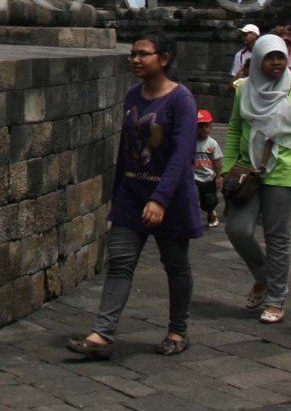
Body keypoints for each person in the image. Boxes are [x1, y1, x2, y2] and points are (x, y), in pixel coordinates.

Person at [67, 30, 201, 359]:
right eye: (133, 54)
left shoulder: (181, 99)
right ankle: (102, 334)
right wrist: (118, 198)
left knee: (175, 264)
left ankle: (177, 330)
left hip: (169, 198)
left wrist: (160, 199)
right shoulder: (132, 96)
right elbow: (126, 152)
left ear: (164, 59)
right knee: (120, 263)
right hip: (132, 193)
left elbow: (181, 155)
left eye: (143, 54)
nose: (135, 59)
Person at [222, 34, 291, 324]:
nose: (276, 62)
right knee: (237, 229)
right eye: (270, 57)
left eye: (280, 56)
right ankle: (264, 276)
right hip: (248, 169)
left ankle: (277, 299)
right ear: (257, 60)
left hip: (286, 170)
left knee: (278, 238)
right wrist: (227, 167)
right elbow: (233, 129)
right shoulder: (244, 90)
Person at [194, 109, 224, 227]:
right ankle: (193, 218)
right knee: (192, 198)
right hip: (194, 177)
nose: (204, 129)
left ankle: (211, 212)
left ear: (210, 127)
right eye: (200, 126)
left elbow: (217, 161)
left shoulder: (212, 144)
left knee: (209, 202)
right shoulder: (191, 142)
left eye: (206, 126)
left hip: (208, 178)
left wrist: (218, 177)